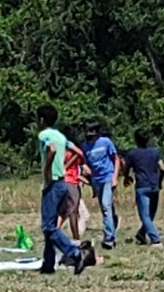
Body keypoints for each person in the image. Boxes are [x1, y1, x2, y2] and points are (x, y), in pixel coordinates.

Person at [34, 105, 94, 275]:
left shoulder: (44, 135)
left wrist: (47, 169)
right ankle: (48, 263)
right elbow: (77, 151)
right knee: (51, 225)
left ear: (42, 120)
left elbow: (51, 149)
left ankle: (76, 253)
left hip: (52, 183)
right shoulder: (60, 136)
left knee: (48, 227)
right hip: (63, 182)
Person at [121, 131, 164, 245]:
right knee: (151, 213)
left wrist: (126, 177)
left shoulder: (132, 154)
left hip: (142, 186)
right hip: (154, 185)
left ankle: (155, 239)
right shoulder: (155, 152)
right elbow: (163, 168)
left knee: (144, 215)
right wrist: (159, 181)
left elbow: (125, 168)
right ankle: (141, 234)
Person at [83, 122, 121, 251]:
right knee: (106, 207)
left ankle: (109, 238)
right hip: (96, 180)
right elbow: (84, 163)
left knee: (106, 206)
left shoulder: (106, 142)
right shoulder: (85, 146)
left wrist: (115, 177)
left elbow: (116, 159)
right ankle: (113, 222)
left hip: (107, 177)